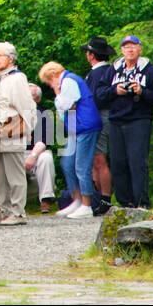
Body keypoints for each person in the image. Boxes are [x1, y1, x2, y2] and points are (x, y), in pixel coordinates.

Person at [95, 35, 153, 208]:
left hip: (139, 120)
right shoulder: (114, 68)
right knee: (118, 162)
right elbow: (99, 93)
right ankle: (124, 202)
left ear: (140, 49)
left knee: (137, 162)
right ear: (121, 50)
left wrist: (141, 91)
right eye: (126, 46)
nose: (129, 49)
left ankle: (141, 202)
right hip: (116, 120)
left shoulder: (148, 69)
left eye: (133, 46)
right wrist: (115, 90)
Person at [39, 61, 101, 219]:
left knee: (81, 166)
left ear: (52, 76)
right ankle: (77, 200)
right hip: (76, 129)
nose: (50, 85)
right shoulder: (66, 81)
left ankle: (87, 205)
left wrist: (56, 90)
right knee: (67, 162)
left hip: (85, 127)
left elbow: (67, 105)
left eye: (48, 81)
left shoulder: (68, 81)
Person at [0, 42, 37, 225]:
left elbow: (25, 106)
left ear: (10, 59)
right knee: (0, 176)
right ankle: (5, 210)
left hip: (12, 131)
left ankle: (18, 212)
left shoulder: (17, 78)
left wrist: (26, 128)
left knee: (15, 175)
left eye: (0, 56)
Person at [82, 36, 115, 207]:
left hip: (99, 116)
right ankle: (100, 196)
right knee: (96, 158)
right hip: (99, 116)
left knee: (99, 159)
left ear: (92, 55)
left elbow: (95, 99)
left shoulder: (98, 73)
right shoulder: (106, 71)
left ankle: (104, 197)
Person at [24, 84, 58, 212]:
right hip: (15, 152)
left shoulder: (44, 115)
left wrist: (32, 156)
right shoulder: (13, 114)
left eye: (30, 96)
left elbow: (44, 140)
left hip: (35, 152)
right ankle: (0, 205)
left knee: (46, 158)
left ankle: (45, 200)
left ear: (37, 99)